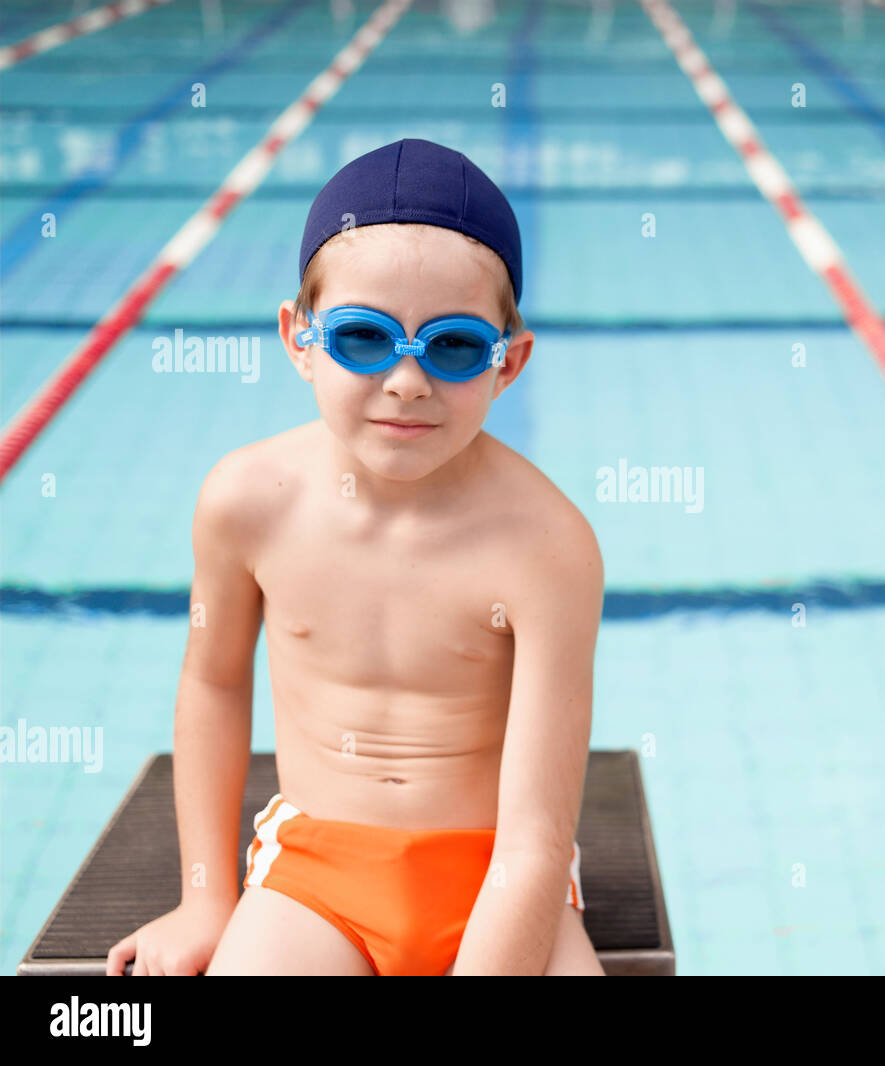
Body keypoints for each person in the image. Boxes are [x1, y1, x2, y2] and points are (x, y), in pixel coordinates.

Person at [107, 139, 605, 976]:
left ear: (508, 362)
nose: (406, 381)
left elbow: (537, 839)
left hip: (502, 875)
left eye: (450, 347)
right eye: (365, 338)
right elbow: (214, 683)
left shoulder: (547, 545)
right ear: (299, 339)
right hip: (315, 879)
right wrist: (206, 898)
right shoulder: (247, 502)